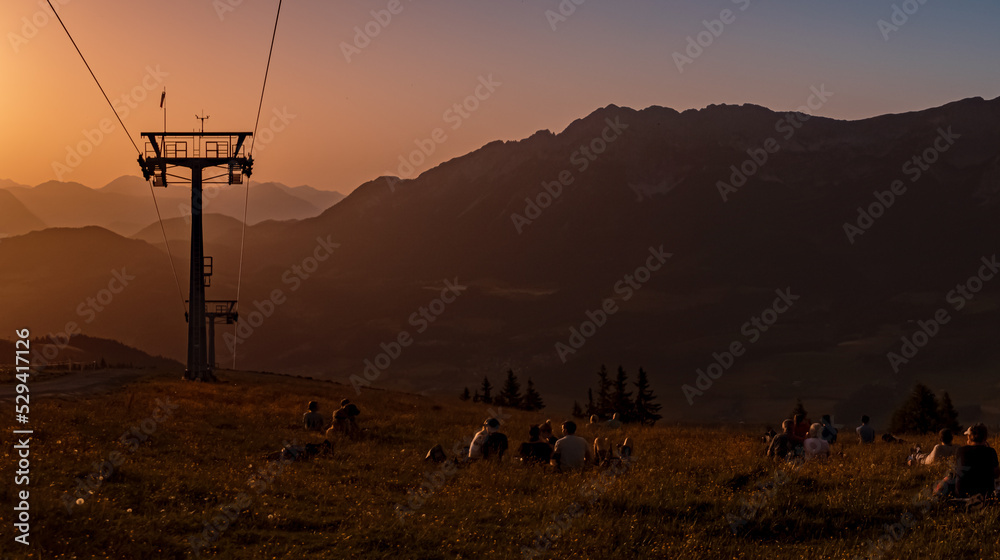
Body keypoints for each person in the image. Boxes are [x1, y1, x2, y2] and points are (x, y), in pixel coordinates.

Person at [954, 424, 1000, 499]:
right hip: (986, 495)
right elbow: (996, 474)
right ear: (985, 438)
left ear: (969, 437)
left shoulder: (960, 451)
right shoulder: (991, 451)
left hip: (962, 494)